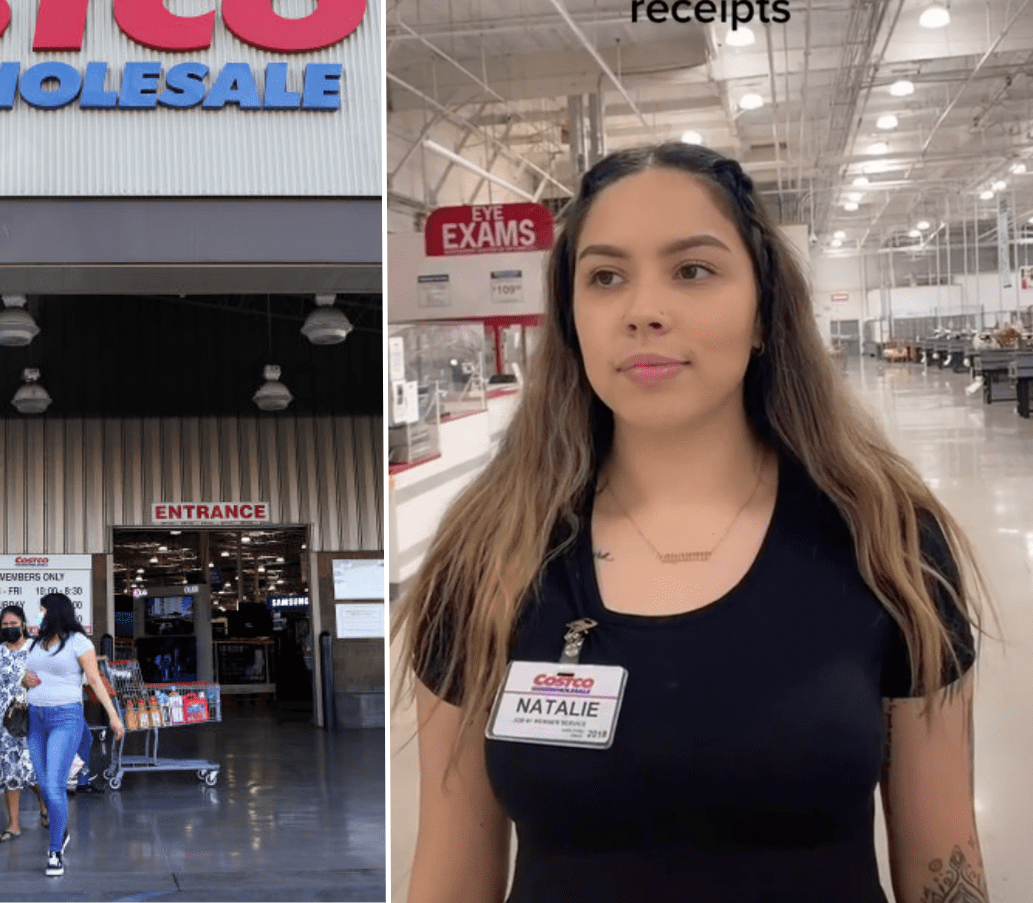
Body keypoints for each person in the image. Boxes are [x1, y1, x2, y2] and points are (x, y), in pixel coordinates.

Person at [396, 143, 989, 903]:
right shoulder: (485, 561)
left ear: (763, 315)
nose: (644, 309)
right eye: (606, 277)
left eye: (693, 270)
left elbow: (946, 864)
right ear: (574, 323)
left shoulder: (889, 543)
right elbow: (449, 877)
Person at [20, 592, 124, 877]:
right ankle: (60, 827)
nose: (38, 615)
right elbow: (26, 678)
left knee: (54, 786)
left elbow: (94, 680)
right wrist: (23, 679)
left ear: (53, 612)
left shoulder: (79, 642)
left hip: (66, 718)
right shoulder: (35, 644)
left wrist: (113, 716)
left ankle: (55, 850)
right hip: (35, 719)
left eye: (42, 611)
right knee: (44, 785)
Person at [0, 605, 48, 840]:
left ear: (24, 625)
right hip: (1, 721)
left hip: (28, 718)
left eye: (13, 624)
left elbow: (49, 680)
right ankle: (13, 824)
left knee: (29, 770)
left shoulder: (36, 648)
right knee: (9, 771)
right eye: (5, 625)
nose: (9, 628)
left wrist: (31, 681)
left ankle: (44, 804)